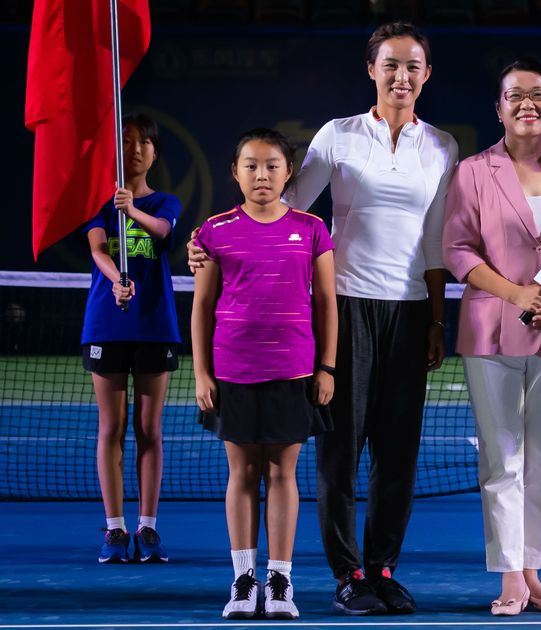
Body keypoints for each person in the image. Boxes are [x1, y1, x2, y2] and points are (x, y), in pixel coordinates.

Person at [190, 21, 457, 615]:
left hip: (410, 313)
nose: (402, 76)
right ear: (372, 70)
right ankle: (349, 572)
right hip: (346, 308)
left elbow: (436, 241)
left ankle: (384, 567)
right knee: (340, 451)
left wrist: (437, 320)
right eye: (390, 65)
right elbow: (283, 207)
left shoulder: (442, 146)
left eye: (413, 66)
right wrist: (211, 240)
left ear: (427, 74)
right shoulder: (338, 136)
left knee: (399, 453)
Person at [443, 57, 541, 616]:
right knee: (503, 460)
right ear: (499, 108)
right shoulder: (471, 171)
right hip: (491, 331)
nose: (527, 104)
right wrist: (516, 296)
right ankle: (510, 575)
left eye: (538, 95)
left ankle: (534, 572)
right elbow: (457, 249)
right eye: (515, 96)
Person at [192, 128, 337, 620]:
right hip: (233, 372)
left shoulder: (313, 228)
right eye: (251, 165)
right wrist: (201, 374)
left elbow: (327, 303)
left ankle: (280, 581)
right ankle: (242, 579)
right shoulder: (214, 231)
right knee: (242, 472)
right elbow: (202, 306)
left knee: (282, 472)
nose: (262, 174)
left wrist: (327, 366)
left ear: (288, 171)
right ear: (235, 173)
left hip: (294, 371)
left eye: (272, 165)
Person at [83, 113, 181, 564]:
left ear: (154, 153)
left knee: (148, 429)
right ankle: (116, 529)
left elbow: (161, 233)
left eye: (144, 142)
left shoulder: (165, 203)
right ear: (117, 153)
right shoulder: (98, 204)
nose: (136, 148)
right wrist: (118, 279)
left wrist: (132, 209)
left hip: (155, 325)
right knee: (112, 427)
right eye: (127, 142)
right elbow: (99, 250)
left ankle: (149, 527)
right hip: (107, 323)